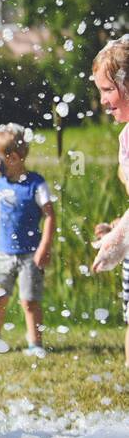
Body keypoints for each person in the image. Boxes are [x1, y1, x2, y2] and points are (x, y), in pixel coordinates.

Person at [0, 124, 55, 358]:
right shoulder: (0, 185)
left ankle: (35, 344)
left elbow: (49, 215)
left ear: (13, 158)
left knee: (29, 301)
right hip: (4, 254)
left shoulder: (36, 184)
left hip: (30, 255)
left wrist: (45, 246)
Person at [91, 35, 129, 367]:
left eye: (107, 89)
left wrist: (120, 237)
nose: (102, 100)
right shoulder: (126, 136)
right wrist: (120, 225)